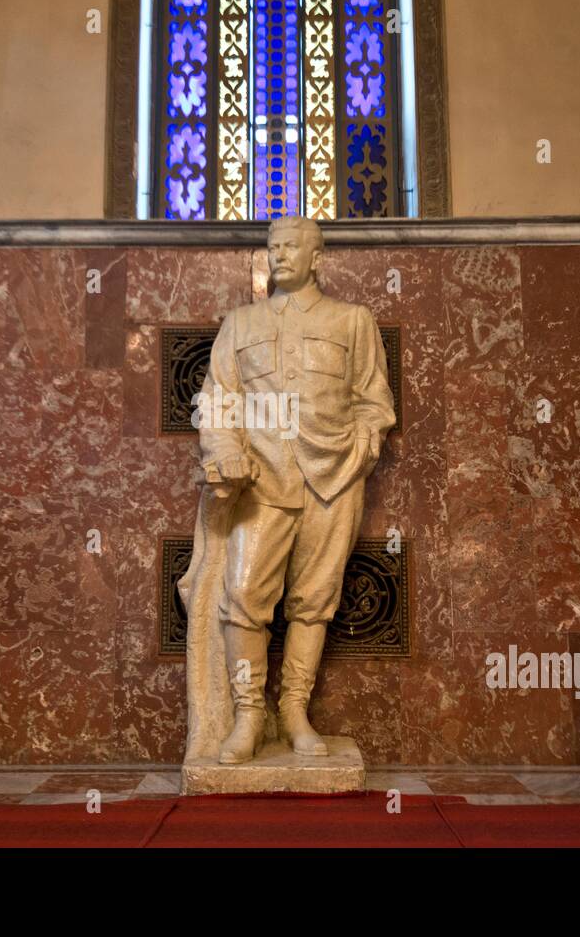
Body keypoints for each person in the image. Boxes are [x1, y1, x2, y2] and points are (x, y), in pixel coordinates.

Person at [195, 215, 396, 764]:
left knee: (314, 603)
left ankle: (294, 710)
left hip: (334, 479)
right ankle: (247, 717)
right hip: (260, 480)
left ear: (317, 257)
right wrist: (226, 451)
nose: (280, 255)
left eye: (292, 247)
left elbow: (374, 403)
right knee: (244, 597)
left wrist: (358, 451)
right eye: (273, 247)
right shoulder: (239, 323)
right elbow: (217, 401)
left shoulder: (353, 321)